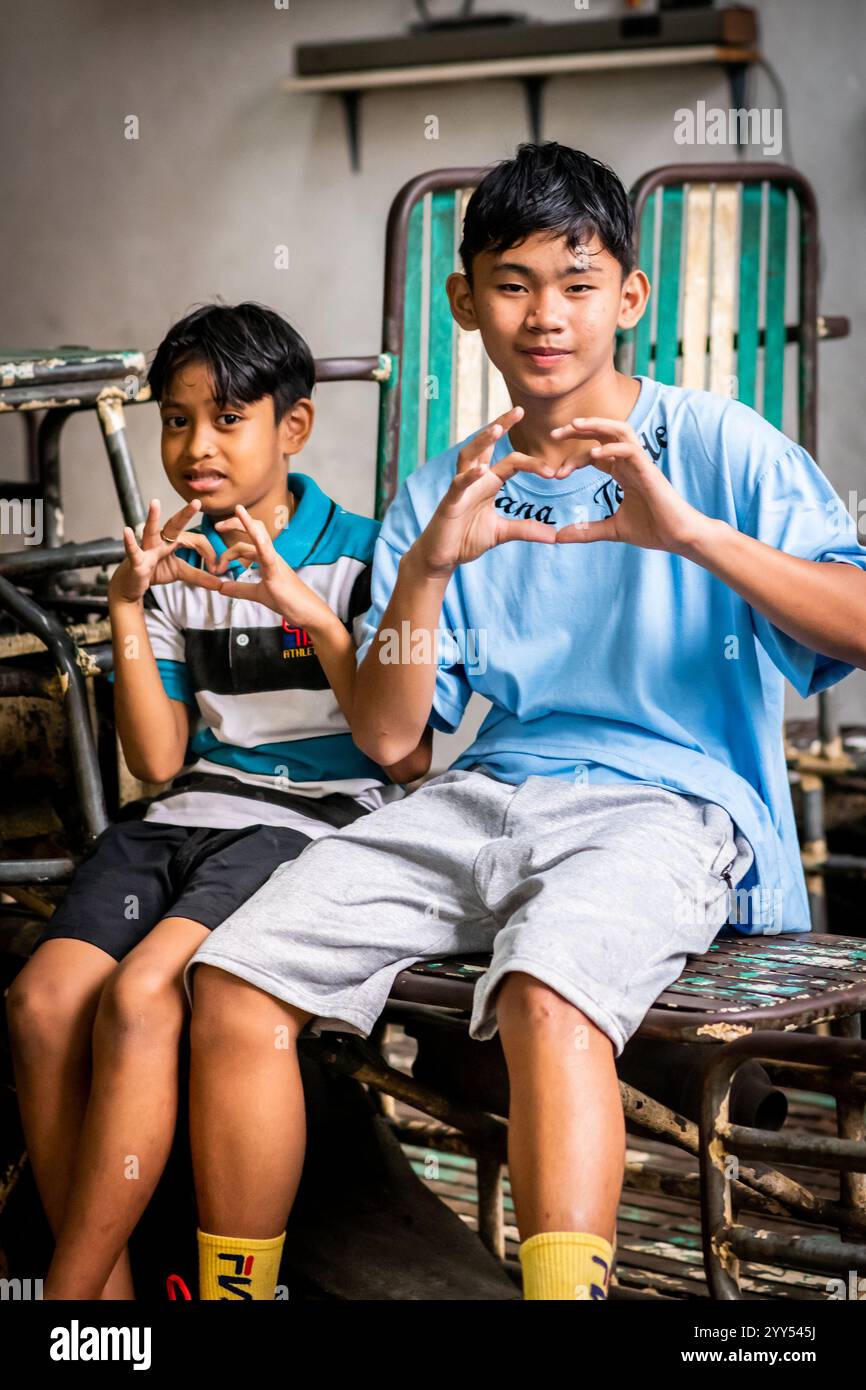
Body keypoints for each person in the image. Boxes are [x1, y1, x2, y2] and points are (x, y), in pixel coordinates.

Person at [182, 143, 866, 1301]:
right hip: (482, 796)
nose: (544, 315)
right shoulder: (440, 487)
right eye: (512, 283)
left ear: (627, 297)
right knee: (233, 978)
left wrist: (690, 534)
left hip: (671, 804)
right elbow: (397, 741)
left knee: (547, 987)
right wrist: (426, 575)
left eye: (577, 281)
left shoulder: (717, 445)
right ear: (467, 302)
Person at [5, 301, 426, 1300]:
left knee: (147, 994)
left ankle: (67, 1302)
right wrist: (124, 602)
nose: (195, 446)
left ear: (293, 427)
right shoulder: (174, 562)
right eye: (176, 419)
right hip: (187, 814)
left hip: (309, 822)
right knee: (41, 999)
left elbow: (400, 757)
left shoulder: (367, 555)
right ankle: (102, 1297)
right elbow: (155, 758)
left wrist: (308, 611)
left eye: (227, 419)